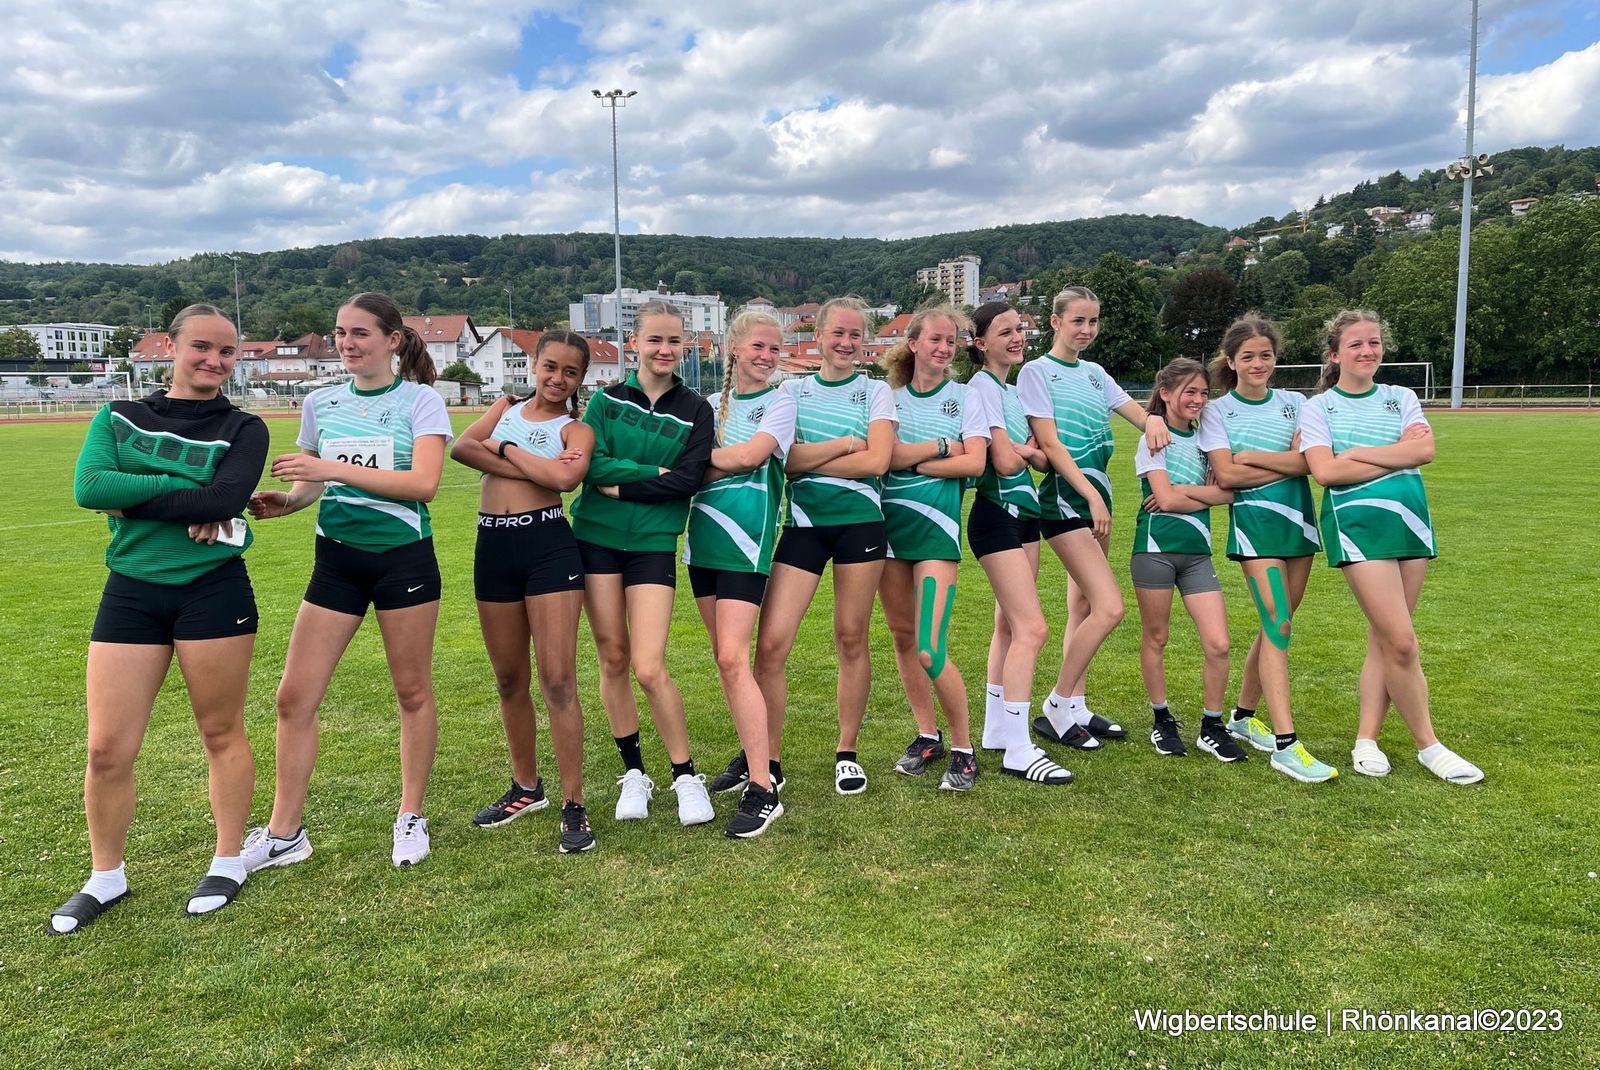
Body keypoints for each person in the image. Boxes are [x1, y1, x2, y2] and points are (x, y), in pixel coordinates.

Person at [51, 304, 268, 934]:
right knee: (105, 747)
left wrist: (137, 491)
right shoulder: (119, 414)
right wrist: (183, 490)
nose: (214, 361)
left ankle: (228, 861)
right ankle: (105, 876)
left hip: (213, 589)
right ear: (169, 347)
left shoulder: (243, 426)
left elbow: (226, 499)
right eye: (201, 347)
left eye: (227, 352)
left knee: (220, 731)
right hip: (132, 592)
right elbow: (91, 488)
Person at [242, 291, 452, 871]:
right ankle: (285, 833)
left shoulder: (422, 401)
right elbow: (311, 486)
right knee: (293, 696)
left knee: (411, 692)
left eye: (360, 333)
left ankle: (411, 815)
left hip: (403, 561)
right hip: (336, 561)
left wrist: (330, 468)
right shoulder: (322, 402)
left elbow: (424, 484)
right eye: (340, 332)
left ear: (392, 339)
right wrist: (286, 502)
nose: (347, 343)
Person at [1298, 310, 1482, 785]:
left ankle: (1366, 739)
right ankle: (1429, 745)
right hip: (1357, 526)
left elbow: (1423, 452)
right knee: (1401, 639)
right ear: (1334, 354)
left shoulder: (1401, 396)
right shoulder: (1319, 408)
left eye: (1374, 343)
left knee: (1386, 638)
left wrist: (1357, 453)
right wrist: (1390, 456)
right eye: (1356, 344)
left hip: (1410, 524)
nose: (1367, 351)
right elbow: (1326, 473)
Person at [571, 300, 717, 825]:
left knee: (649, 666)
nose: (664, 350)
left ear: (686, 346)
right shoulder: (605, 402)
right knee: (612, 658)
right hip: (594, 540)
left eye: (674, 341)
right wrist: (650, 471)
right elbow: (591, 466)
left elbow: (689, 478)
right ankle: (634, 773)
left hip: (654, 544)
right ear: (633, 343)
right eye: (654, 339)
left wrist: (621, 482)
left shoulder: (697, 410)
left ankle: (685, 776)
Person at [450, 332, 597, 852]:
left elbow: (566, 480)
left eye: (570, 372)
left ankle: (574, 804)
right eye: (550, 367)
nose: (558, 379)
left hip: (548, 548)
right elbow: (460, 448)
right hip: (493, 547)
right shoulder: (504, 406)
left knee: (557, 680)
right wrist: (530, 463)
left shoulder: (577, 427)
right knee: (509, 678)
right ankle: (526, 787)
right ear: (534, 365)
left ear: (581, 379)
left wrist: (507, 448)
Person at [749, 296, 894, 797]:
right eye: (838, 333)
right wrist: (845, 445)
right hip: (804, 526)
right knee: (771, 645)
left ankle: (847, 752)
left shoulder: (876, 393)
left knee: (851, 638)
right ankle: (767, 758)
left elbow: (878, 464)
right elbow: (784, 462)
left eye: (855, 335)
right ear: (819, 335)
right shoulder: (792, 390)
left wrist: (815, 457)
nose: (847, 343)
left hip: (860, 525)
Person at [1018, 285, 1169, 750]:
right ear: (1055, 321)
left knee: (1082, 606)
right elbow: (1051, 444)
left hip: (1096, 493)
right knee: (1110, 607)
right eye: (1078, 320)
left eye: (1093, 321)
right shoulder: (1036, 372)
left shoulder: (1096, 372)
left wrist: (1156, 419)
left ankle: (1077, 705)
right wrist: (1091, 496)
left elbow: (1137, 415)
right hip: (1066, 498)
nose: (1087, 329)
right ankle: (1058, 705)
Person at [1197, 316, 1337, 782]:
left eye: (1266, 355)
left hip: (1299, 527)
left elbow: (1310, 464)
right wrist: (1285, 466)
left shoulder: (1296, 403)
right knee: (1277, 626)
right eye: (1248, 356)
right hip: (1255, 530)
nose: (1258, 363)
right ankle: (1286, 744)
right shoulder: (1218, 411)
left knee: (1277, 623)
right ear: (1231, 361)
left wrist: (1251, 458)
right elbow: (1227, 477)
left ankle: (1241, 715)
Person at [685, 308, 795, 837]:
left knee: (733, 658)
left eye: (774, 349)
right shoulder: (708, 405)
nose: (767, 357)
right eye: (758, 346)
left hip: (746, 544)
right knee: (729, 662)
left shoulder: (782, 401)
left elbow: (753, 457)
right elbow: (689, 471)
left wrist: (707, 459)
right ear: (733, 348)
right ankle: (762, 760)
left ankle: (764, 788)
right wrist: (707, 460)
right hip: (700, 545)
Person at [875, 305, 988, 790]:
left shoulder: (965, 396)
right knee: (903, 640)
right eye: (936, 340)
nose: (945, 348)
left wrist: (913, 464)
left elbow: (977, 464)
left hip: (936, 535)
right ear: (914, 343)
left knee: (928, 647)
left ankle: (964, 749)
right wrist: (943, 448)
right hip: (887, 532)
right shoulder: (889, 398)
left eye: (953, 341)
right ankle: (927, 735)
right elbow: (884, 457)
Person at [963, 302, 1073, 784]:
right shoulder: (982, 388)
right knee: (1034, 629)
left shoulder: (1008, 390)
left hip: (1024, 516)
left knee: (1009, 625)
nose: (1016, 337)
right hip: (997, 516)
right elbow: (1006, 463)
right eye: (1004, 331)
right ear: (980, 342)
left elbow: (1041, 461)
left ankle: (996, 731)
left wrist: (1025, 451)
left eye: (1019, 329)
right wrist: (1027, 450)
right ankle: (1019, 747)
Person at [1131, 359, 1240, 759]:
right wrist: (1198, 493)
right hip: (1154, 551)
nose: (1197, 400)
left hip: (1197, 556)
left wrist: (1183, 492)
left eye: (1203, 393)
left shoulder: (1207, 441)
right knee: (1157, 637)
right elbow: (1169, 497)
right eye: (1189, 391)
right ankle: (1162, 720)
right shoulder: (1153, 440)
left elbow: (1225, 494)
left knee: (1219, 643)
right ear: (1165, 393)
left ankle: (1212, 725)